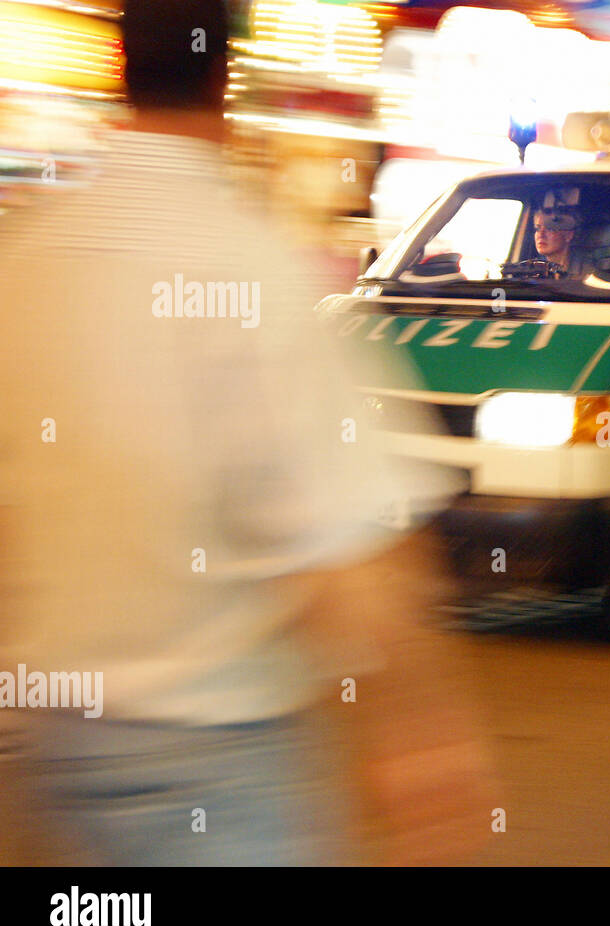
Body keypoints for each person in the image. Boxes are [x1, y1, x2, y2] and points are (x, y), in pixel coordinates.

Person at [0, 0, 487, 865]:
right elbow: (342, 543)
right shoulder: (249, 265)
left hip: (50, 751)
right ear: (226, 77)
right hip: (209, 764)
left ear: (119, 70)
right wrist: (422, 730)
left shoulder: (28, 258)